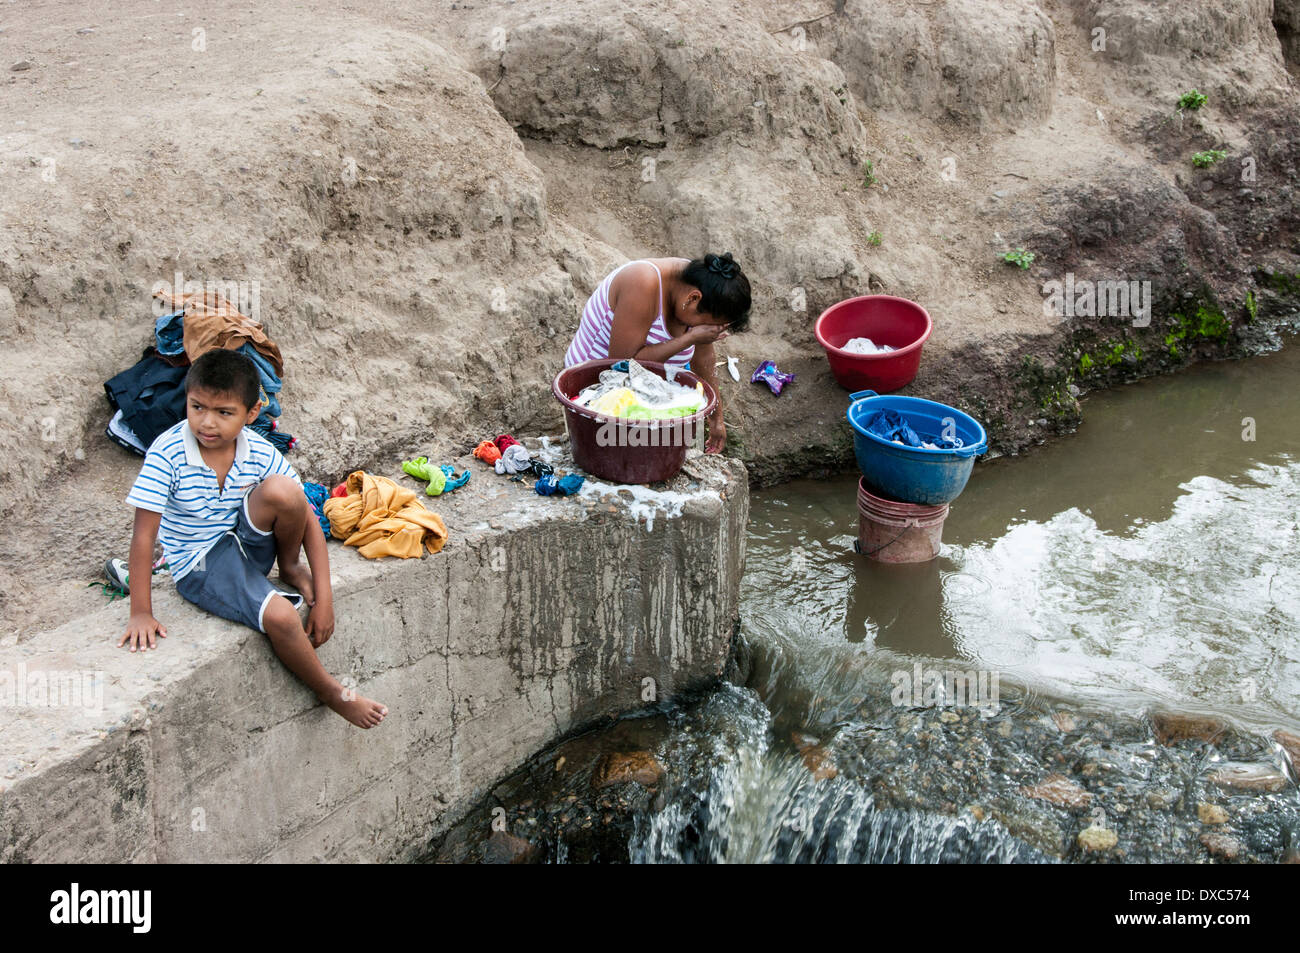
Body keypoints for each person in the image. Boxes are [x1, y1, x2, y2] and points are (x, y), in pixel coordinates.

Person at [119, 349, 388, 729]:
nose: (207, 423)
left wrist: (325, 599)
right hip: (202, 562)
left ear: (252, 413)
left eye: (224, 413)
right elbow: (144, 537)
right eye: (197, 407)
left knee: (285, 490)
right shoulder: (167, 453)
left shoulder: (258, 450)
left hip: (249, 545)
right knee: (281, 616)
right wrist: (141, 611)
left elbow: (308, 519)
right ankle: (331, 692)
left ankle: (290, 566)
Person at [565, 252, 751, 453]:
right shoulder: (642, 283)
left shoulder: (705, 288)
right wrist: (688, 338)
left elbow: (704, 358)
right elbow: (620, 366)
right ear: (693, 299)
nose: (707, 332)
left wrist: (716, 418)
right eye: (708, 327)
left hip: (645, 393)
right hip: (592, 391)